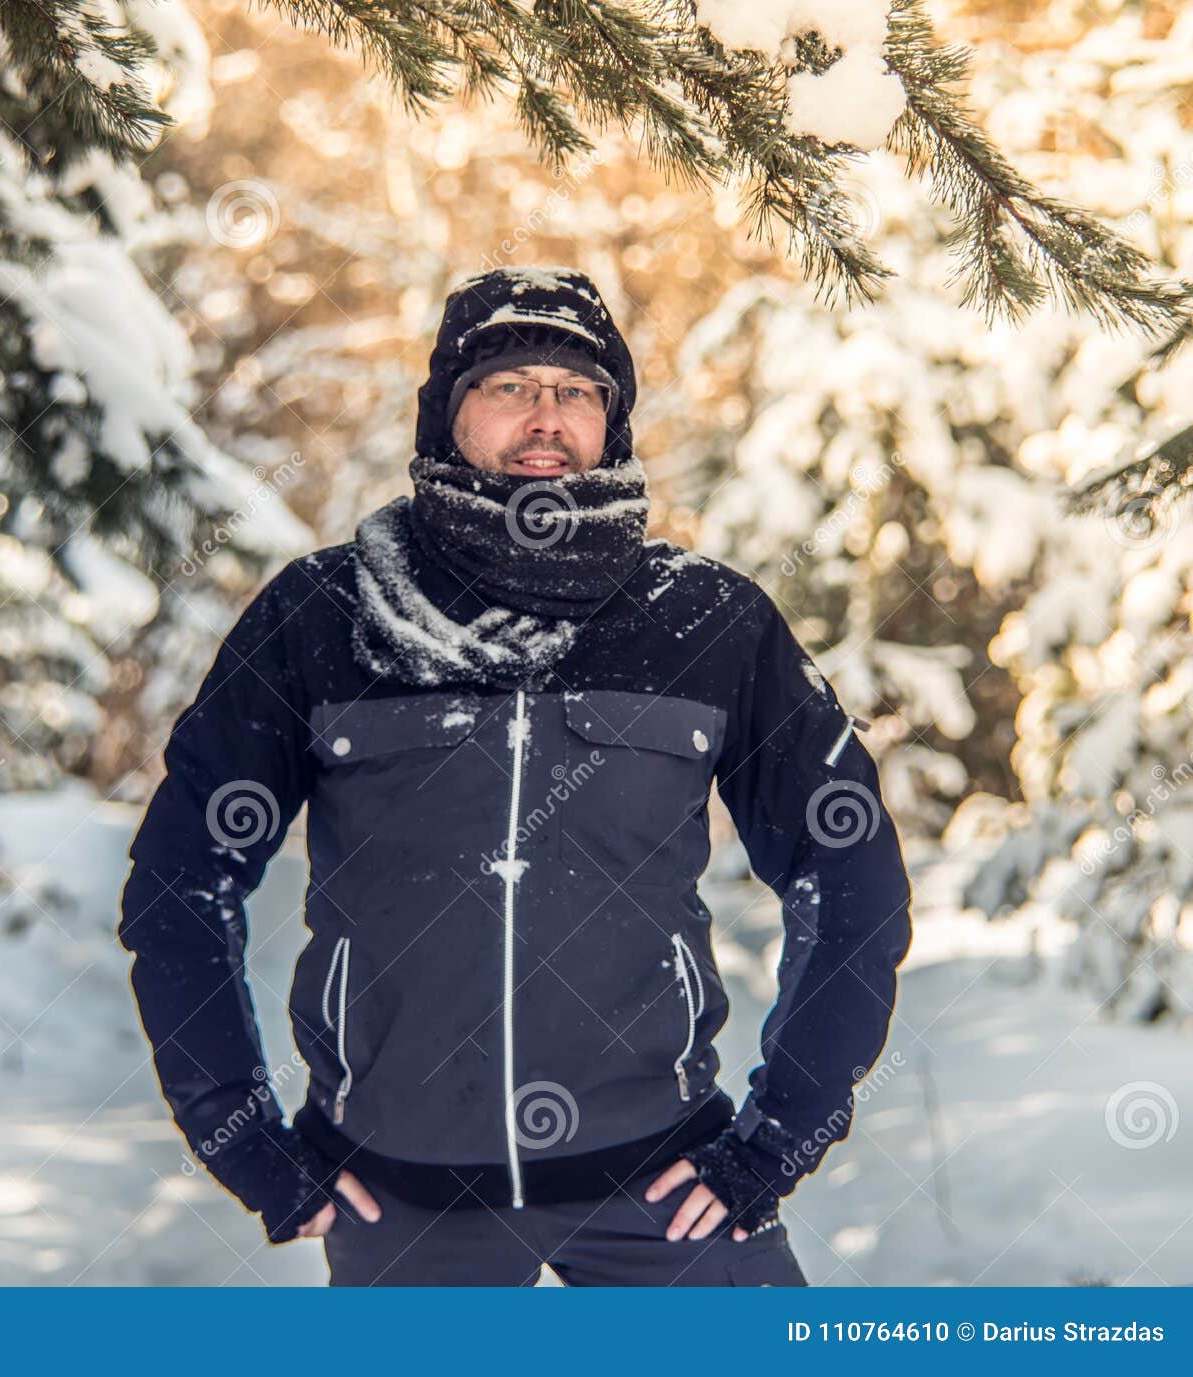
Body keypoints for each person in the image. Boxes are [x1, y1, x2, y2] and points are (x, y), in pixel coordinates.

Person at [117, 265, 913, 1287]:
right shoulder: (327, 614)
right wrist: (239, 1134)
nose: (546, 415)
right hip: (401, 1198)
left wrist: (779, 1135)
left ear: (610, 423)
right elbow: (182, 879)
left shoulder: (702, 618)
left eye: (576, 391)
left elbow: (847, 874)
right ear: (446, 415)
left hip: (665, 1189)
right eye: (508, 386)